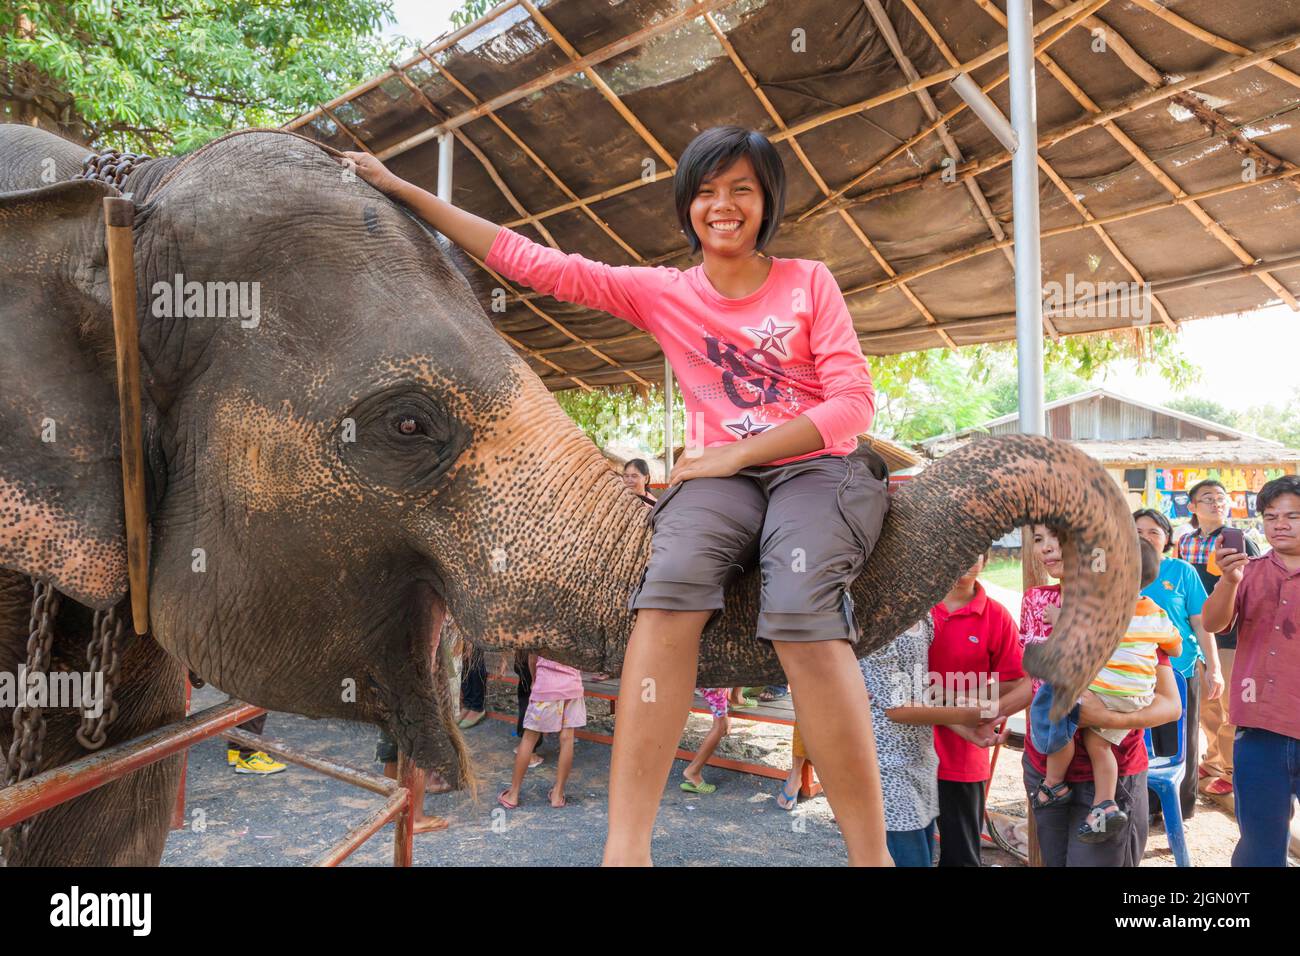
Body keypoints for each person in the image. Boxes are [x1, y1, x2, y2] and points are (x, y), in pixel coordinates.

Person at [340, 126, 891, 865]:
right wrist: (402, 189)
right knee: (665, 601)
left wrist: (737, 450)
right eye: (705, 192)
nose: (721, 206)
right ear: (686, 205)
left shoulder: (808, 281)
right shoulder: (666, 293)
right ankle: (626, 849)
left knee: (801, 612)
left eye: (740, 190)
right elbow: (531, 261)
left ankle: (871, 855)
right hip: (718, 481)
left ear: (768, 201)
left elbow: (854, 405)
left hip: (813, 467)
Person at [1020, 524, 1183, 866]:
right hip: (1045, 767)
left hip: (1109, 770)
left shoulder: (1132, 617)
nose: (1049, 548)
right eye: (1039, 540)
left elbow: (1170, 706)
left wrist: (1107, 719)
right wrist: (988, 711)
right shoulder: (1039, 603)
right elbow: (1031, 683)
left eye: (1060, 538)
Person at [1201, 475, 1300, 866]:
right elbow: (1211, 623)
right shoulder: (1250, 571)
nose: (1280, 524)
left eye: (1293, 515)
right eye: (1271, 516)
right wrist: (1229, 581)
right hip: (1259, 731)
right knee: (1259, 846)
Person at [927, 552, 1027, 866]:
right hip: (906, 749)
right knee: (905, 849)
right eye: (959, 549)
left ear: (985, 559)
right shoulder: (914, 608)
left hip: (962, 752)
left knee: (960, 855)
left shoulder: (995, 616)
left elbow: (1013, 682)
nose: (966, 559)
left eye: (976, 552)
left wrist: (954, 696)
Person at [1177, 479, 1261, 797]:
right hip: (1196, 635)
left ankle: (1231, 769)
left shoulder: (1240, 540)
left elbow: (1251, 588)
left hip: (1229, 637)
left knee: (1229, 705)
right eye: (1208, 498)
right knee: (1207, 705)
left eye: (1221, 498)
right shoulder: (1186, 542)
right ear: (1193, 507)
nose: (1216, 503)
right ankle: (1211, 761)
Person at [1134, 507, 1220, 817]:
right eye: (1137, 531)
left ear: (1167, 539)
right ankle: (1141, 807)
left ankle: (1178, 810)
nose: (1145, 538)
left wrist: (1215, 668)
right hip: (1131, 675)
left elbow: (1201, 623)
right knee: (1136, 742)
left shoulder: (1182, 571)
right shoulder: (1114, 571)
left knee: (1179, 743)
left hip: (1180, 671)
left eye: (1153, 532)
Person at [859, 618, 942, 867]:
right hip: (887, 763)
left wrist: (969, 729)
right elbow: (895, 708)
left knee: (923, 856)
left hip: (922, 757)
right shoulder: (878, 623)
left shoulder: (925, 618)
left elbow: (921, 692)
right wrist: (968, 715)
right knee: (911, 860)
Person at [497, 655, 586, 809]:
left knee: (529, 739)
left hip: (546, 686)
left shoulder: (542, 629)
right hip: (572, 687)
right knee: (567, 739)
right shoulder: (576, 629)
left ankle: (513, 794)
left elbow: (531, 659)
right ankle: (557, 795)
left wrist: (533, 679)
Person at [679, 688, 732, 794]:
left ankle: (693, 770)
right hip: (715, 684)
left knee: (723, 725)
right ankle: (693, 771)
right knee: (719, 727)